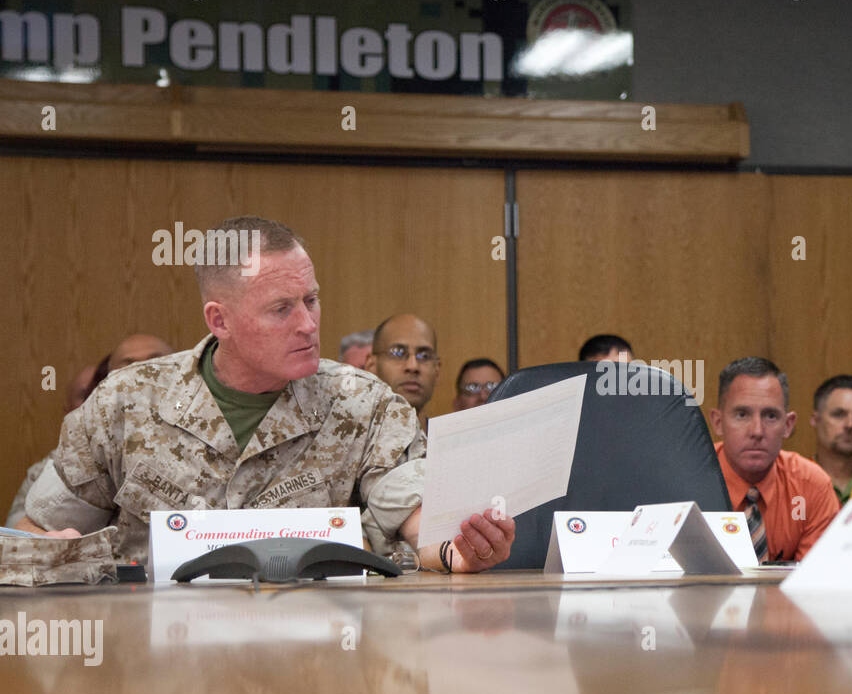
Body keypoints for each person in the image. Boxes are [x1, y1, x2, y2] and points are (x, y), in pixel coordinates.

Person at [17, 216, 513, 573]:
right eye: (281, 309)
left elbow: (425, 527)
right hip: (160, 678)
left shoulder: (365, 405)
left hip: (316, 672)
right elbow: (36, 531)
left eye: (312, 300)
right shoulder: (124, 403)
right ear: (220, 319)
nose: (308, 324)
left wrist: (461, 550)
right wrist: (53, 547)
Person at [7, 334, 175, 527]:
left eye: (156, 362)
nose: (144, 375)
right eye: (128, 367)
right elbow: (24, 535)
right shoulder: (69, 462)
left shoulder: (197, 439)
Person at [708, 357, 839, 562]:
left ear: (788, 425)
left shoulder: (812, 487)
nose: (757, 431)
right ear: (718, 422)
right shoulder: (687, 480)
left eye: (770, 416)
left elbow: (810, 585)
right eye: (742, 415)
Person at [365, 313, 440, 423]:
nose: (413, 366)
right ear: (371, 366)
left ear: (437, 370)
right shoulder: (349, 439)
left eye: (424, 356)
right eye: (397, 353)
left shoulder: (452, 440)